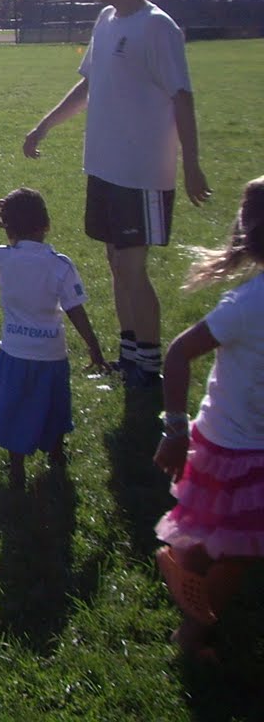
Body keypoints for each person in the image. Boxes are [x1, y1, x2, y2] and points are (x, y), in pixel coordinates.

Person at [23, 0, 211, 390]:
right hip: (104, 167)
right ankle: (130, 355)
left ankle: (149, 364)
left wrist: (191, 165)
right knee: (115, 261)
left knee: (132, 266)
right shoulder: (106, 21)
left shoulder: (157, 27)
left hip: (141, 173)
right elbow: (88, 85)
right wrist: (44, 126)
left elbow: (182, 98)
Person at [153, 176, 264, 661]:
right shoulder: (247, 305)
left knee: (219, 538)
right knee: (240, 551)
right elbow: (178, 353)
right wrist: (176, 431)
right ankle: (193, 634)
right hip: (231, 448)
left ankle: (183, 568)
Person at [0, 188, 108, 490]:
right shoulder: (60, 265)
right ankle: (56, 455)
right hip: (52, 354)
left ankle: (16, 467)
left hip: (14, 352)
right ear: (46, 225)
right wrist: (95, 348)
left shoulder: (4, 259)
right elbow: (75, 310)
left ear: (7, 228)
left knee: (15, 406)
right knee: (53, 405)